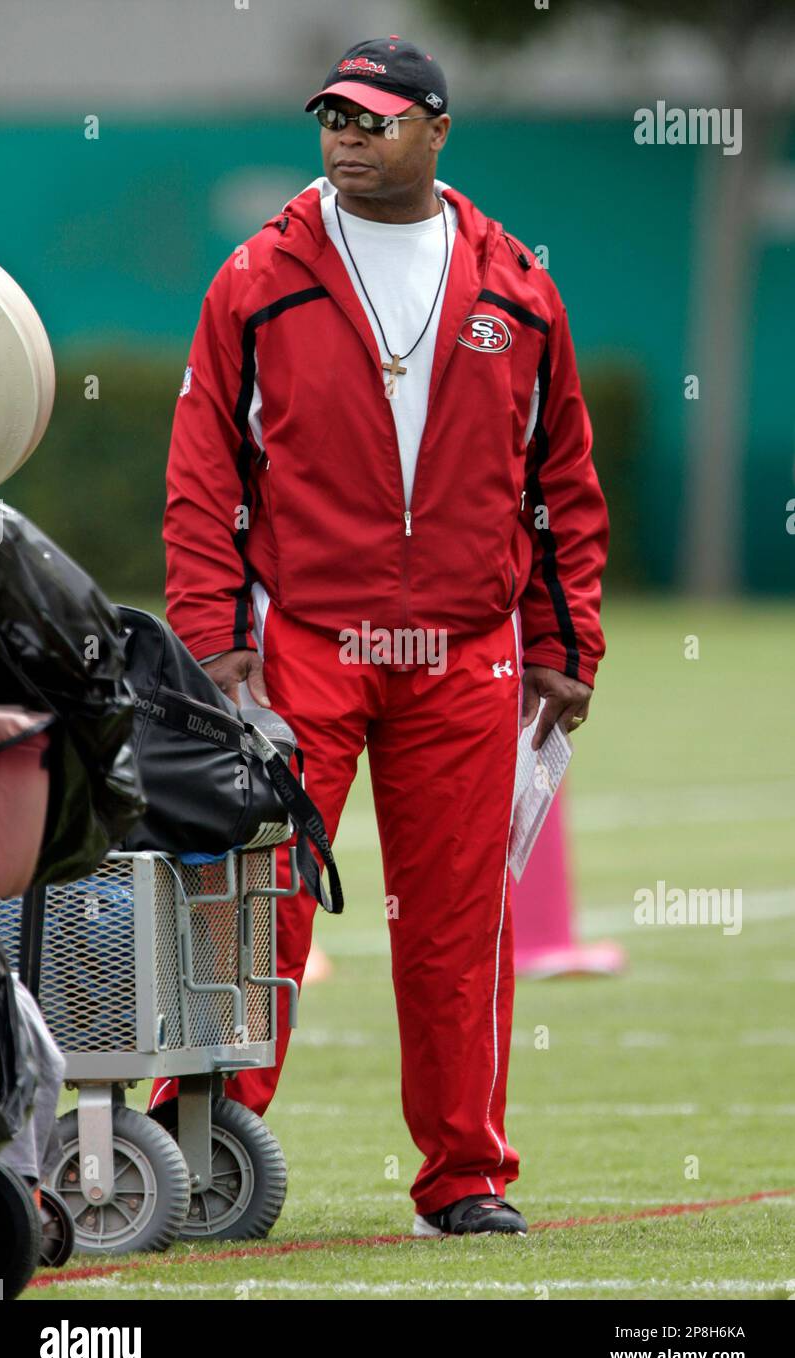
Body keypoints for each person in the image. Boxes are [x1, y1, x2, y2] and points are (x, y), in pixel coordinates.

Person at [150, 36, 609, 1238]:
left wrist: (566, 638)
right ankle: (197, 1154)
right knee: (254, 904)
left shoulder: (517, 282)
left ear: (436, 130)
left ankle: (464, 1177)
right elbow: (204, 473)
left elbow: (560, 478)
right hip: (304, 640)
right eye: (331, 120)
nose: (346, 139)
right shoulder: (259, 275)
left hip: (469, 650)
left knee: (459, 925)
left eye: (372, 120)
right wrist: (212, 635)